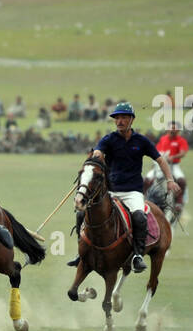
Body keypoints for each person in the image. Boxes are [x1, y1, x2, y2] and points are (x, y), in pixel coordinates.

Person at [67, 102, 181, 273]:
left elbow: (160, 160)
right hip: (111, 191)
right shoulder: (109, 139)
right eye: (117, 118)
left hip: (133, 191)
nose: (119, 121)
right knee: (82, 213)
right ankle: (82, 252)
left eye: (123, 117)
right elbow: (98, 152)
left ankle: (137, 255)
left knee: (139, 217)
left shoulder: (141, 141)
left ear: (132, 120)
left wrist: (170, 179)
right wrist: (95, 159)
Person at [154, 120, 189, 195]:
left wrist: (173, 157)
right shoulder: (163, 139)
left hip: (174, 165)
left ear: (178, 130)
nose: (172, 130)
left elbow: (183, 153)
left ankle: (179, 201)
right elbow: (156, 152)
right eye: (171, 128)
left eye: (175, 128)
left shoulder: (181, 140)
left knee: (181, 181)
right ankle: (145, 197)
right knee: (147, 180)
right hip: (160, 164)